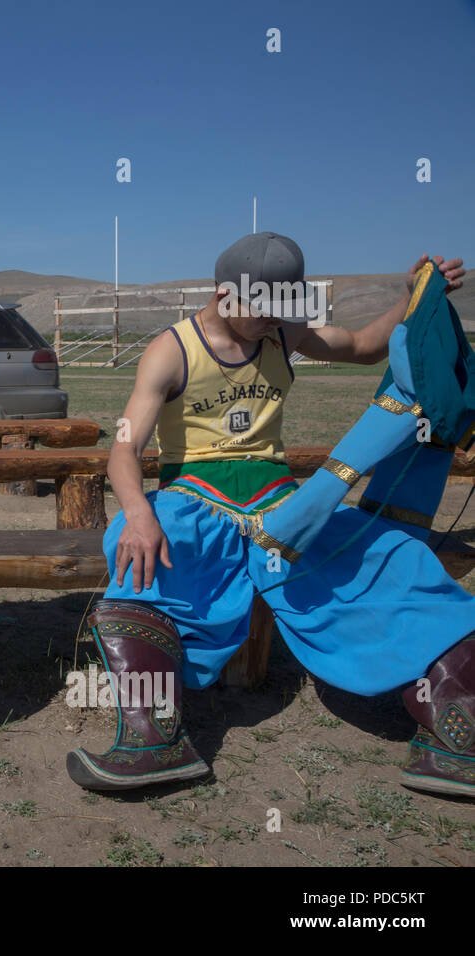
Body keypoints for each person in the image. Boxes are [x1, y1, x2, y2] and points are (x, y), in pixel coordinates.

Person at [68, 232, 475, 798]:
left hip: (282, 504)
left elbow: (362, 345)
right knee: (135, 552)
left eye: (278, 310)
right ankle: (152, 742)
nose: (269, 321)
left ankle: (458, 735)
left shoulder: (284, 332)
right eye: (259, 309)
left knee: (388, 556)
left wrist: (411, 297)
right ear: (223, 293)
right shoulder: (171, 349)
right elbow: (124, 449)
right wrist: (138, 513)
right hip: (194, 498)